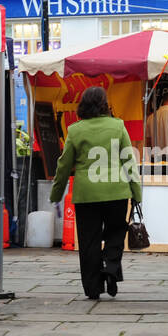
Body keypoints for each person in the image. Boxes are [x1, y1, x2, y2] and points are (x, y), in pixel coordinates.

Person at [50, 86, 143, 300]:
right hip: (116, 191)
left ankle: (93, 288)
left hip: (86, 194)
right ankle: (110, 267)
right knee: (116, 233)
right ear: (104, 104)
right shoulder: (118, 126)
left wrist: (56, 194)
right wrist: (136, 193)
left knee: (88, 241)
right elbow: (129, 161)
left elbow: (64, 165)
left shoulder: (75, 130)